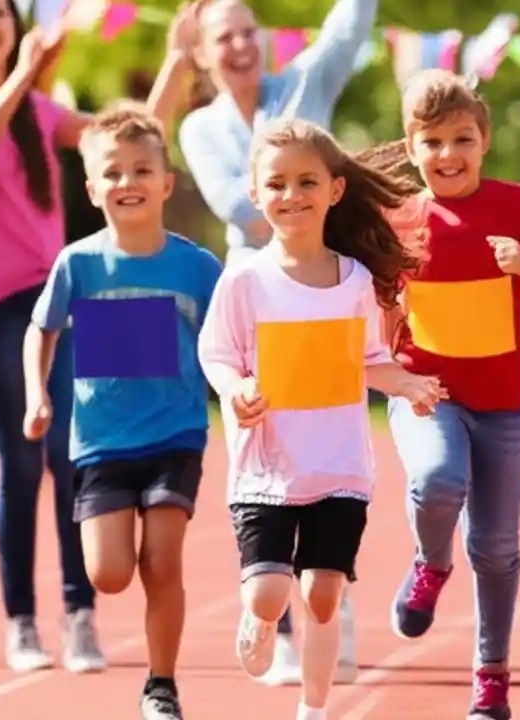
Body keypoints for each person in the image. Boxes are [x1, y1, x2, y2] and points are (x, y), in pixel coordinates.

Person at [0, 0, 192, 673]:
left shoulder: (44, 110)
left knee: (83, 453)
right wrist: (24, 78)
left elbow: (139, 137)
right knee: (24, 463)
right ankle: (22, 625)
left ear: (15, 24)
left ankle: (81, 615)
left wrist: (179, 56)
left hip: (76, 292)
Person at [197, 117, 445, 720]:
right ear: (256, 195)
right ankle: (257, 620)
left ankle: (313, 708)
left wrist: (407, 382)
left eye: (306, 181)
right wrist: (235, 390)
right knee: (270, 592)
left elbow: (370, 361)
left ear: (335, 190)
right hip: (268, 471)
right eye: (276, 184)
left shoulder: (354, 280)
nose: (292, 195)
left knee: (324, 595)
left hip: (339, 466)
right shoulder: (245, 280)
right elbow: (217, 353)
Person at [177, 0, 378, 682]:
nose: (238, 45)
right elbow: (234, 206)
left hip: (322, 288)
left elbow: (349, 30)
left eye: (246, 32)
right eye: (222, 38)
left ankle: (331, 610)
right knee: (273, 462)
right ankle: (275, 622)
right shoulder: (201, 127)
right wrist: (289, 179)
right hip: (258, 301)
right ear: (203, 53)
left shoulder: (305, 84)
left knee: (330, 452)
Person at [21, 106, 220, 720]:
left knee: (162, 560)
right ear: (91, 188)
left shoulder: (196, 267)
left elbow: (231, 338)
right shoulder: (78, 264)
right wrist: (38, 393)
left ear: (167, 181)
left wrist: (244, 390)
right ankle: (116, 591)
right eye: (112, 173)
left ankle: (162, 683)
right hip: (102, 442)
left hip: (175, 435)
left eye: (141, 170)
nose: (127, 182)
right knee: (109, 573)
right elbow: (40, 329)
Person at [379, 69, 520, 720]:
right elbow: (368, 299)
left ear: (484, 141)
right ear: (411, 148)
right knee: (435, 479)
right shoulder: (398, 218)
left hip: (505, 404)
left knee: (495, 548)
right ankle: (431, 562)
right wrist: (390, 360)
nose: (448, 155)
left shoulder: (517, 206)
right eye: (432, 142)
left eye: (462, 139)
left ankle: (492, 676)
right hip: (428, 392)